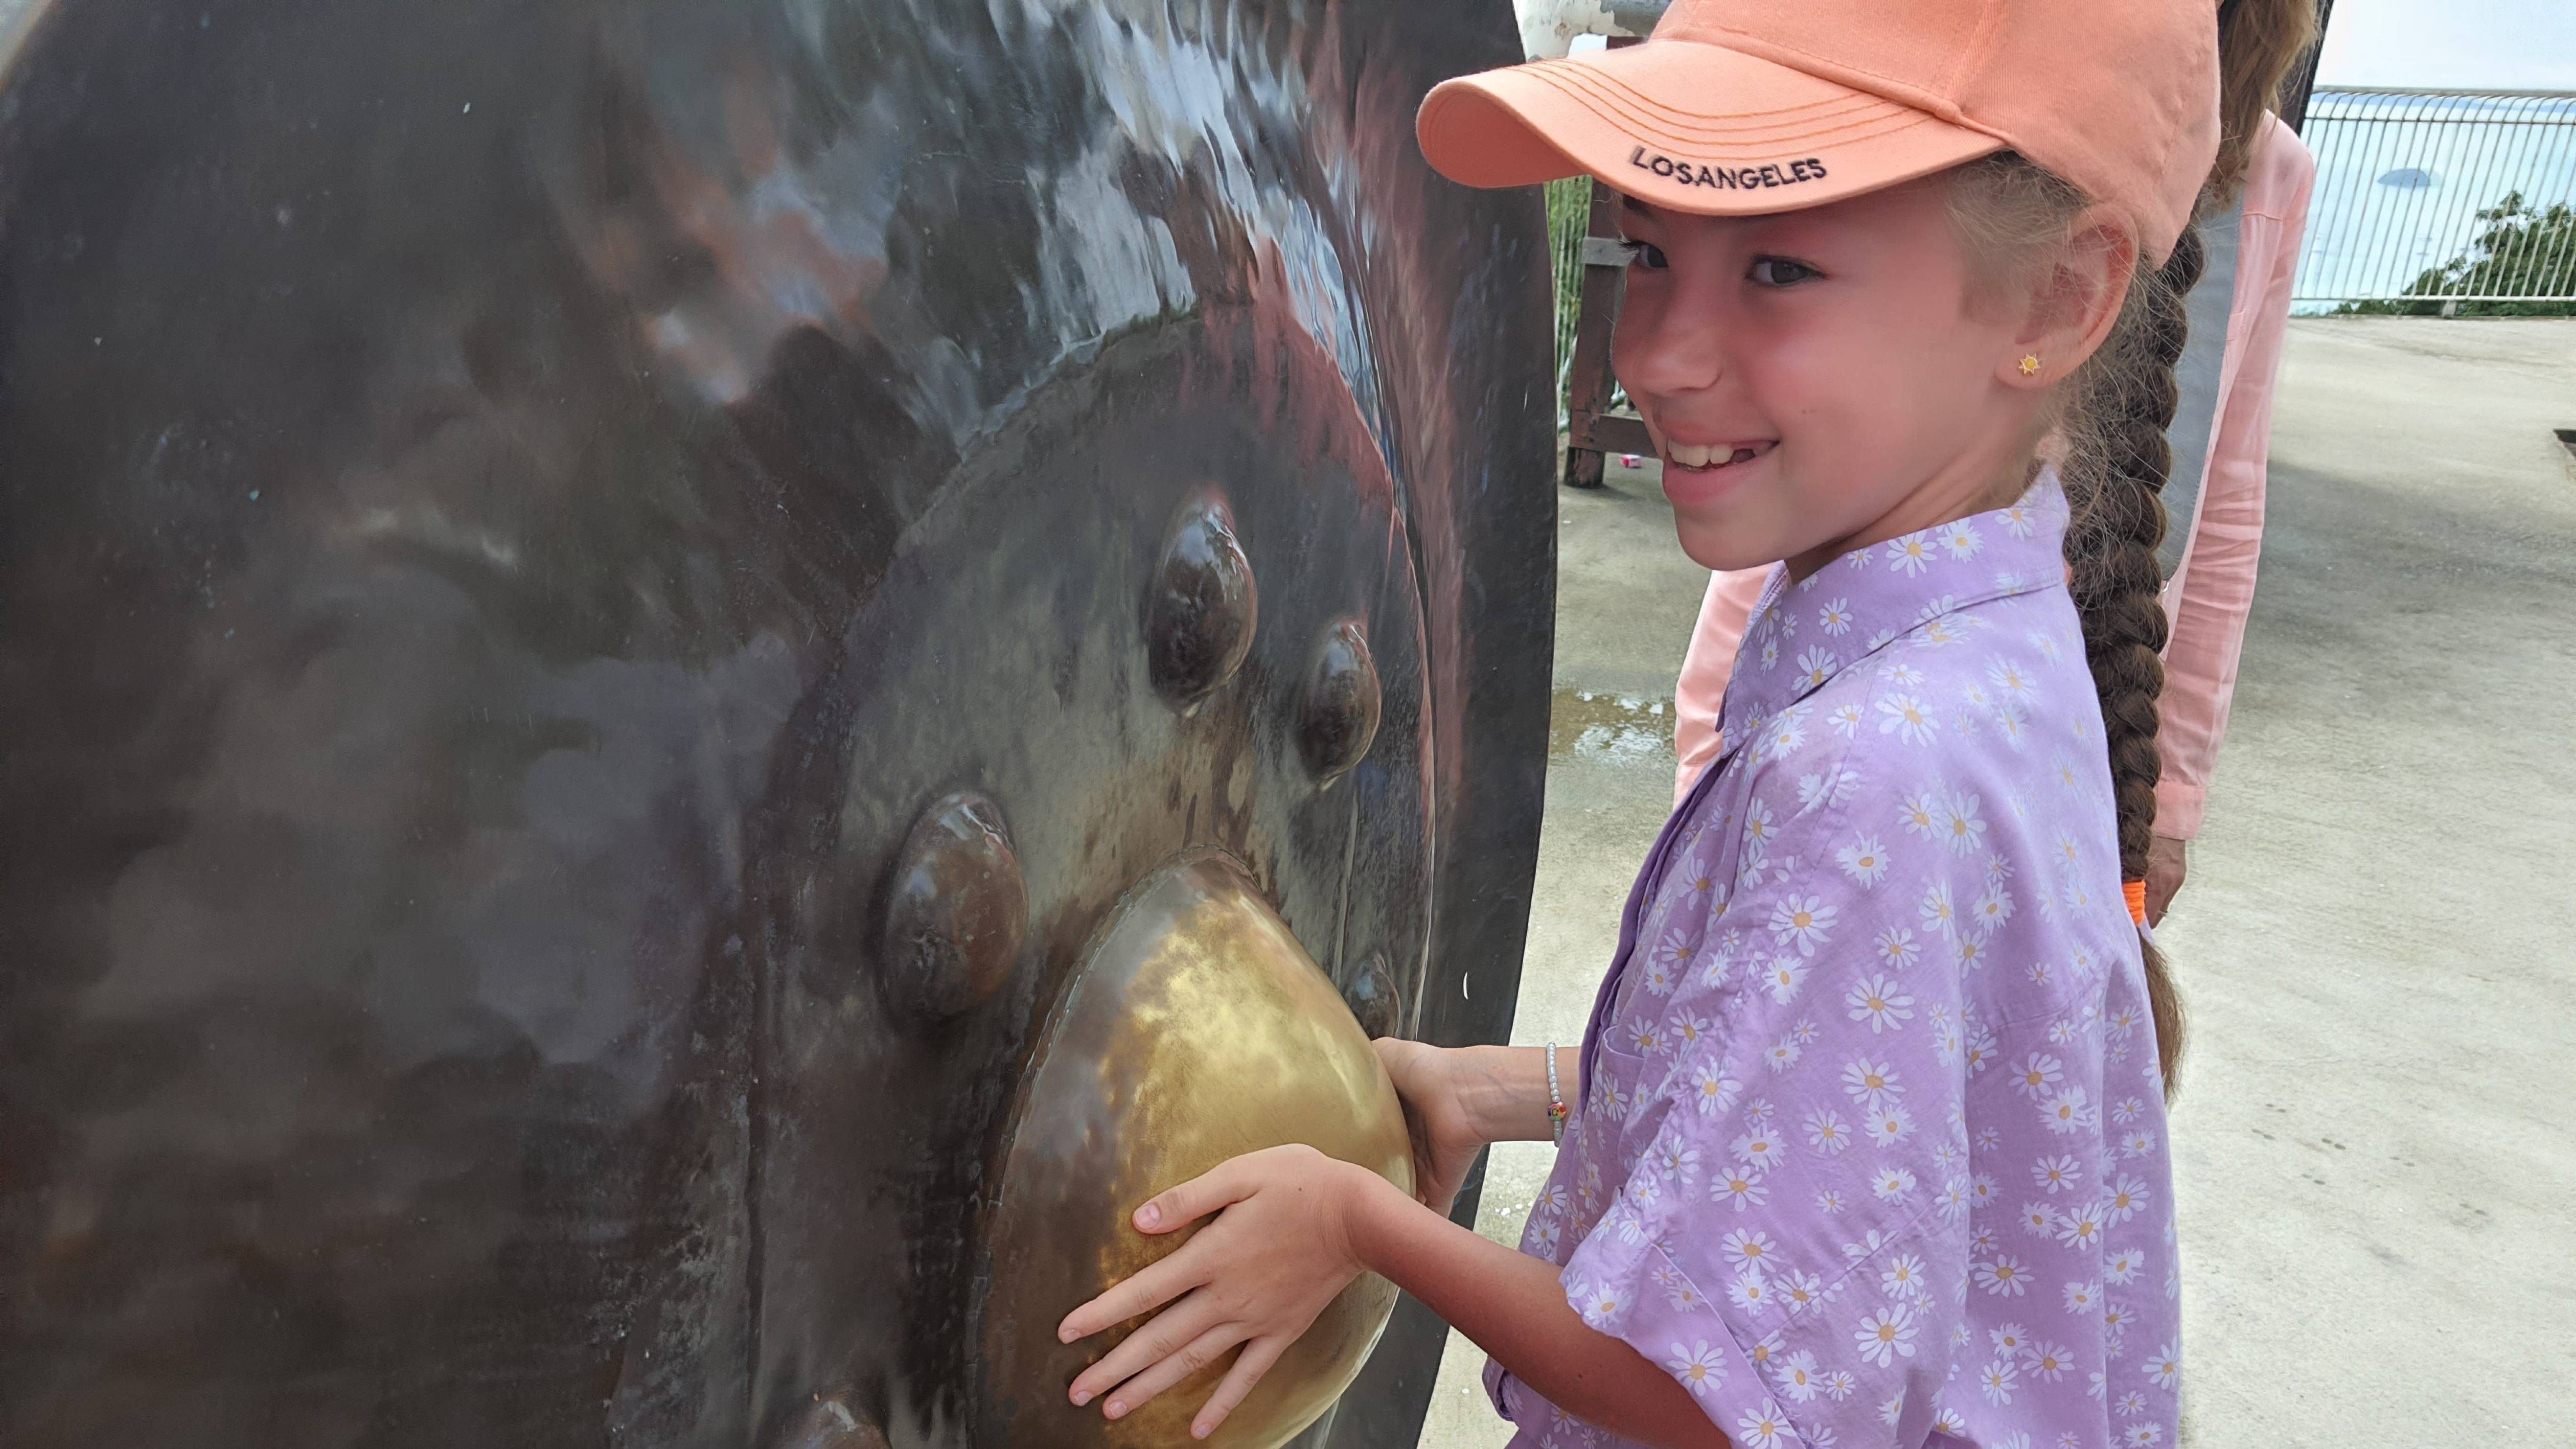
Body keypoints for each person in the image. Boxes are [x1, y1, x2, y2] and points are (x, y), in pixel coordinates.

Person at [1055, 0, 2217, 1444]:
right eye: (1652, 251)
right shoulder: (2003, 645)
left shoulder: (1868, 777)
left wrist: (1357, 1221)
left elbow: (1705, 1398)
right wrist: (1515, 1087)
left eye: (1781, 266)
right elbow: (1860, 1108)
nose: (1658, 351)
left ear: (2053, 301)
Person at [1674, 0, 2322, 929]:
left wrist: (2166, 801)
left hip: (2097, 689)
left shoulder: (2262, 172)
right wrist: (1711, 748)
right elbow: (1805, 450)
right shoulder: (1949, 98)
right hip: (1851, 685)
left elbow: (2224, 492)